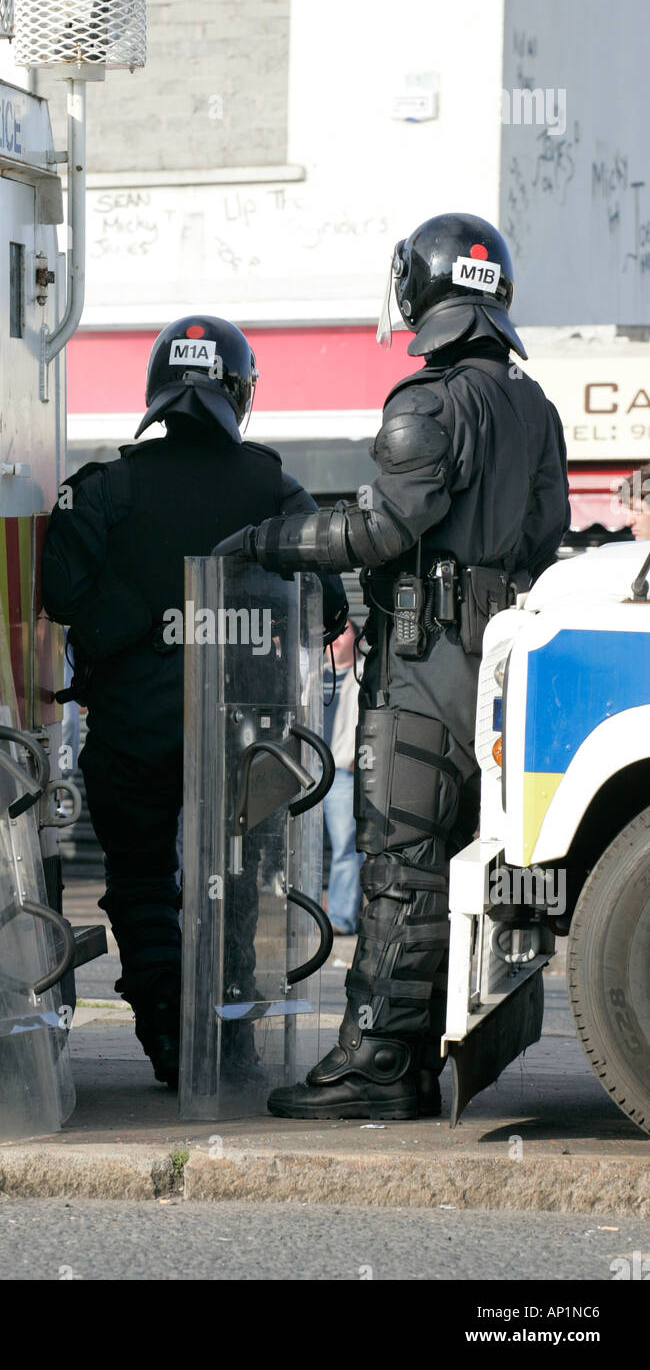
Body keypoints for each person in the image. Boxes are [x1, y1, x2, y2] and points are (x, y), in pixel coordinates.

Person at [216, 213, 571, 1120]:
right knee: (459, 872)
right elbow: (541, 541)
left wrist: (267, 539)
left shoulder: (428, 403)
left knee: (400, 872)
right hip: (497, 674)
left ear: (424, 288)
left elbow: (377, 530)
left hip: (418, 673)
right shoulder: (535, 408)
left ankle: (376, 1064)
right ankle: (414, 1062)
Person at [41, 314, 347, 1088]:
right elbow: (332, 606)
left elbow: (58, 592)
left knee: (143, 885)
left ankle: (173, 1044)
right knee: (241, 887)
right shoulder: (278, 487)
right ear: (239, 393)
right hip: (246, 735)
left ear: (157, 391)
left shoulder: (104, 488)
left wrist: (137, 618)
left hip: (134, 729)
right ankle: (232, 1046)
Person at [322, 621, 365, 936]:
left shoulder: (362, 674)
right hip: (307, 774)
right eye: (332, 632)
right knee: (301, 850)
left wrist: (355, 759)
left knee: (345, 848)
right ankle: (307, 914)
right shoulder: (313, 673)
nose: (336, 637)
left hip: (340, 773)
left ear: (356, 638)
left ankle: (340, 918)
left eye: (344, 630)